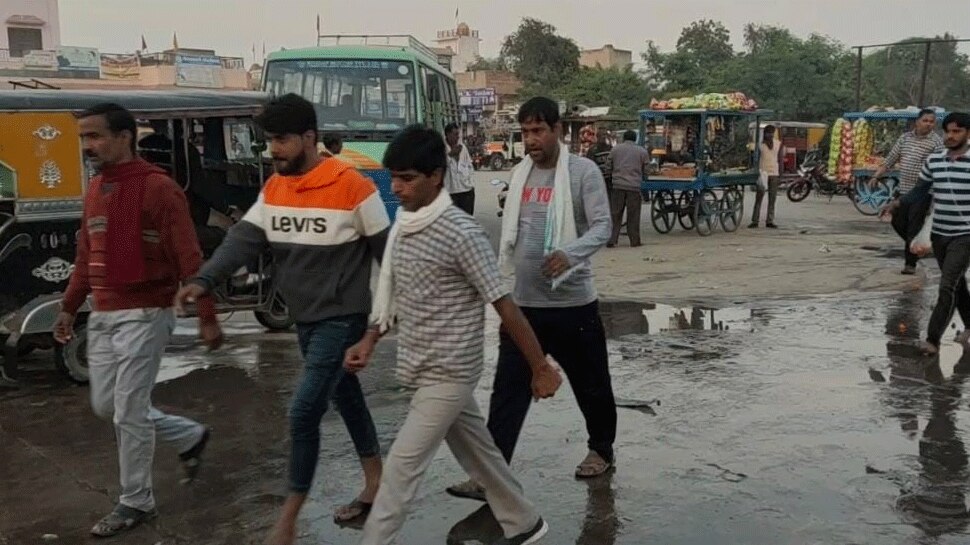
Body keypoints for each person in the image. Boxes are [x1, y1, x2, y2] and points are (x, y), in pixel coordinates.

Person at [173, 94, 390, 545]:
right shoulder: (276, 187)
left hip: (341, 318)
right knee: (347, 397)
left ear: (309, 138)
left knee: (304, 411)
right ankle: (377, 481)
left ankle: (288, 520)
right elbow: (243, 240)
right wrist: (204, 280)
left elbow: (388, 259)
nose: (273, 149)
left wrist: (377, 327)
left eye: (282, 140)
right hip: (303, 319)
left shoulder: (354, 187)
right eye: (269, 140)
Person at [346, 125, 561, 545]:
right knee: (478, 453)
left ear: (436, 177)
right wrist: (370, 338)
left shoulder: (462, 233)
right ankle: (523, 521)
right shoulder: (404, 227)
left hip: (450, 369)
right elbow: (397, 294)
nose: (397, 188)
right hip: (421, 363)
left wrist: (540, 366)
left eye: (407, 178)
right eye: (393, 178)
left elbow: (503, 303)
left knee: (400, 470)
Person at [53, 103, 223, 537]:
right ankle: (188, 436)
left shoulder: (160, 189)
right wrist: (69, 308)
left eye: (95, 136)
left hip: (147, 313)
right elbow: (85, 257)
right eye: (83, 138)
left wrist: (207, 317)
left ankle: (135, 501)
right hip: (104, 314)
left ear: (125, 137)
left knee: (127, 411)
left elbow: (190, 258)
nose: (87, 146)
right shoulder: (96, 189)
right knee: (108, 406)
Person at [447, 96, 617, 502]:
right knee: (507, 392)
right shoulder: (520, 172)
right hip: (523, 306)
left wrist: (570, 254)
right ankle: (490, 474)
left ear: (557, 130)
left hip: (573, 305)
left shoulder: (582, 173)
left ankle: (601, 450)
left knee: (592, 385)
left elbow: (602, 226)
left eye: (538, 131)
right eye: (525, 132)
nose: (531, 140)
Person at [889, 112, 970, 356]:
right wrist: (897, 203)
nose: (951, 136)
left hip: (965, 235)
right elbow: (920, 191)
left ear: (967, 134)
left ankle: (932, 340)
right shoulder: (934, 161)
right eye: (948, 131)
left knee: (947, 286)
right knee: (956, 284)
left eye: (957, 131)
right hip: (940, 234)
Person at [874, 108, 945, 275]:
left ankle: (910, 264)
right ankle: (917, 244)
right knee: (897, 221)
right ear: (917, 122)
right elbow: (891, 159)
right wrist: (876, 176)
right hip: (903, 190)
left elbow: (939, 166)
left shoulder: (936, 142)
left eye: (932, 122)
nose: (928, 124)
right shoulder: (905, 138)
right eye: (925, 121)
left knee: (914, 226)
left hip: (922, 192)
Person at [606, 130, 650, 247]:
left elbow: (608, 165)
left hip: (618, 186)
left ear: (623, 138)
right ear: (635, 139)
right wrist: (644, 178)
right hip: (634, 187)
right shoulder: (642, 151)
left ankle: (612, 239)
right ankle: (634, 241)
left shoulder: (615, 150)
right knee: (633, 215)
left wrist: (611, 177)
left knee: (615, 214)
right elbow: (646, 169)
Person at [750, 125, 782, 229]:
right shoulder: (760, 145)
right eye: (768, 133)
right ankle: (755, 220)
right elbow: (755, 160)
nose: (770, 135)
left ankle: (770, 220)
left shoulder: (778, 144)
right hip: (762, 173)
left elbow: (780, 159)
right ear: (765, 134)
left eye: (772, 133)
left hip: (774, 173)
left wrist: (780, 175)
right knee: (759, 198)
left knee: (772, 199)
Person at [444, 122, 476, 215]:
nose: (458, 137)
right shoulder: (440, 148)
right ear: (448, 134)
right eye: (455, 134)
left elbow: (469, 166)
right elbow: (438, 167)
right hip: (450, 192)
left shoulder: (462, 148)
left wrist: (471, 183)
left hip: (466, 190)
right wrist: (450, 155)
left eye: (458, 134)